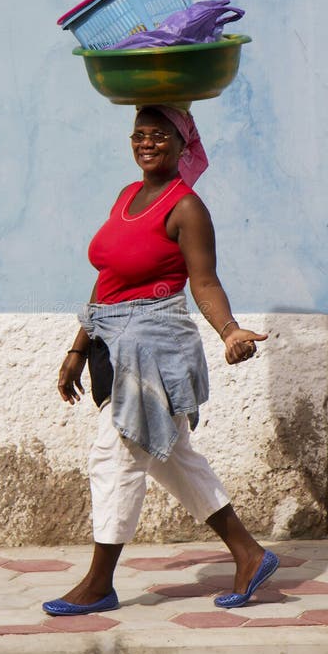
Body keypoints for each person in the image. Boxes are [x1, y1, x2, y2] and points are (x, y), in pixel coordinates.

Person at [42, 105, 279, 617]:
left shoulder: (187, 206)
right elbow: (107, 279)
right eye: (139, 135)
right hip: (111, 342)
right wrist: (77, 348)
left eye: (159, 135)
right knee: (173, 458)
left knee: (116, 456)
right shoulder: (127, 196)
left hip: (154, 348)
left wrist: (230, 330)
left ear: (182, 142)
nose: (147, 143)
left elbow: (205, 280)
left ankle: (99, 582)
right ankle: (249, 552)